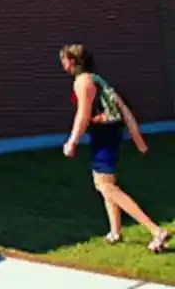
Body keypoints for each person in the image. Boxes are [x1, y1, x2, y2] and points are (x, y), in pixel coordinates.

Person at [60, 44, 170, 252]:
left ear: (73, 61)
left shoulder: (83, 82)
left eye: (64, 60)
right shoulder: (96, 78)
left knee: (106, 186)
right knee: (103, 182)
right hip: (109, 132)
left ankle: (156, 231)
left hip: (104, 134)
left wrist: (72, 141)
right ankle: (115, 232)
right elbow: (120, 107)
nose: (63, 64)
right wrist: (138, 139)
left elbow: (83, 115)